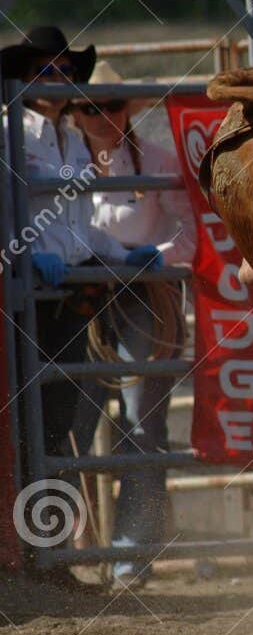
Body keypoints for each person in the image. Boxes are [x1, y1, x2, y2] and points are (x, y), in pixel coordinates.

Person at [2, 27, 164, 587]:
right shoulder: (10, 134)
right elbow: (19, 201)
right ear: (24, 77)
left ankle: (53, 557)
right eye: (48, 71)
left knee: (60, 424)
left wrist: (124, 254)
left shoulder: (69, 139)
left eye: (68, 72)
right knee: (34, 423)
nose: (61, 81)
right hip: (27, 297)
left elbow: (83, 226)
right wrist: (23, 256)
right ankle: (31, 557)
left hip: (64, 290)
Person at [72, 61, 195, 589]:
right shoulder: (57, 166)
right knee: (71, 427)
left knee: (142, 426)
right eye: (87, 107)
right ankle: (66, 550)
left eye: (110, 105)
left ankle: (129, 555)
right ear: (73, 113)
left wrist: (157, 256)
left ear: (127, 110)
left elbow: (192, 233)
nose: (100, 116)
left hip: (142, 297)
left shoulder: (159, 161)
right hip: (77, 301)